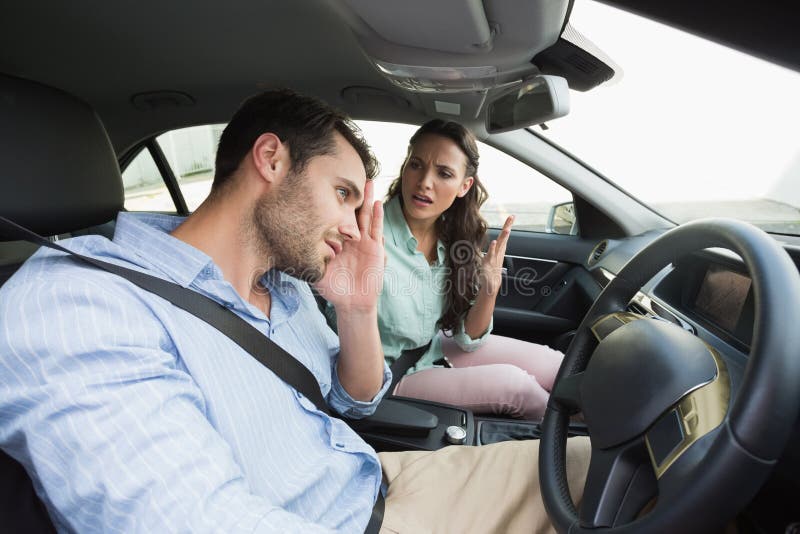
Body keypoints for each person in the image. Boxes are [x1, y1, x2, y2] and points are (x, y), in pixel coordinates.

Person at [0, 89, 589, 533]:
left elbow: (354, 400)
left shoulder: (285, 283)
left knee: (619, 466)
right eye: (343, 194)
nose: (354, 224)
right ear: (272, 160)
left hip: (379, 480)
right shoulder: (76, 304)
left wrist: (357, 310)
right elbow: (202, 521)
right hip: (349, 521)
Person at [326, 119, 564, 420]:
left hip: (431, 348)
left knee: (555, 365)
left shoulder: (453, 238)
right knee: (517, 387)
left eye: (444, 173)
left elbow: (467, 338)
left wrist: (489, 289)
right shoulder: (367, 234)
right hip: (386, 374)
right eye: (416, 165)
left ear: (464, 186)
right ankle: (578, 447)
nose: (425, 181)